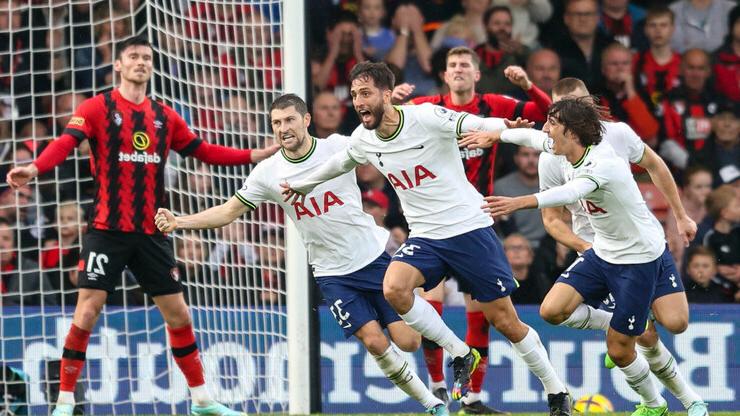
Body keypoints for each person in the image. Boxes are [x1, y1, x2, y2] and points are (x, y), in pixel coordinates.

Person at [5, 35, 279, 416]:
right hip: (107, 230)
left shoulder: (165, 116)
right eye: (133, 56)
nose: (141, 62)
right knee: (87, 312)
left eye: (147, 58)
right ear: (118, 64)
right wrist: (34, 168)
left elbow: (202, 151)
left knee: (179, 314)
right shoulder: (97, 108)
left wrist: (254, 154)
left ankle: (201, 400)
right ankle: (64, 401)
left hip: (153, 232)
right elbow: (66, 143)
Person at [283, 62, 573, 415]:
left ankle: (556, 391)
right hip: (427, 236)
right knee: (394, 288)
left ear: (387, 95)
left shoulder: (427, 117)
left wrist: (536, 139)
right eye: (355, 94)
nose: (358, 102)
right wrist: (303, 183)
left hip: (469, 228)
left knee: (505, 321)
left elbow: (488, 126)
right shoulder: (363, 138)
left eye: (366, 93)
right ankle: (460, 351)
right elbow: (341, 163)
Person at [155, 94, 450, 416]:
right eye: (277, 123)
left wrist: (392, 107)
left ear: (306, 120)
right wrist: (179, 221)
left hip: (373, 257)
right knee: (375, 342)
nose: (283, 128)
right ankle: (433, 405)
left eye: (289, 120)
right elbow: (228, 212)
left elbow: (385, 140)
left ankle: (429, 307)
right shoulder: (268, 172)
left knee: (409, 342)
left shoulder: (336, 147)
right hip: (331, 272)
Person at [459, 78, 708, 414]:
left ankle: (661, 403)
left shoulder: (603, 162)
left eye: (553, 123)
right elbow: (530, 136)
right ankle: (628, 339)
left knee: (632, 345)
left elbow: (570, 194)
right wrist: (497, 134)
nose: (546, 129)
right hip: (602, 251)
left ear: (573, 132)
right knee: (552, 311)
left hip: (638, 259)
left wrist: (519, 202)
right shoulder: (562, 147)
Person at [393, 45, 551, 414]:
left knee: (480, 313)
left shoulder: (492, 105)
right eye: (452, 65)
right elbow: (386, 127)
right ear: (444, 75)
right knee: (430, 306)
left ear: (477, 75)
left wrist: (529, 85)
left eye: (466, 64)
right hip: (433, 223)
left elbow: (543, 114)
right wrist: (392, 102)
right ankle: (438, 391)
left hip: (476, 222)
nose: (459, 69)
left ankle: (472, 399)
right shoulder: (426, 107)